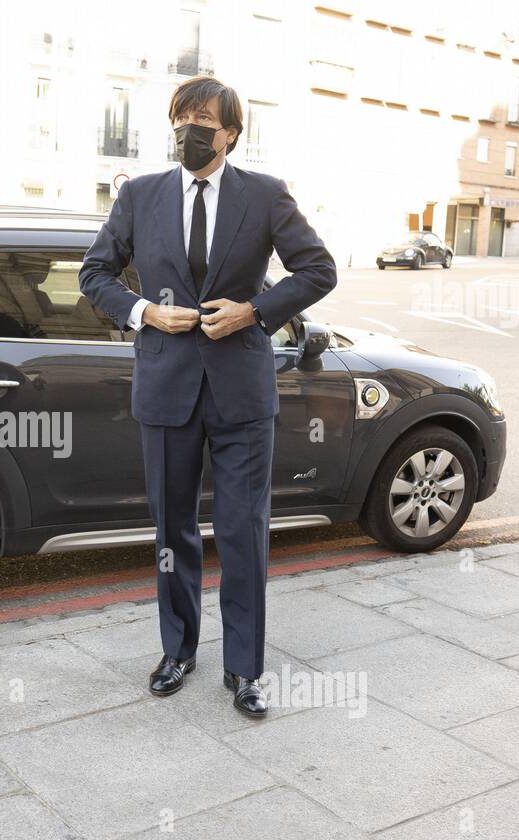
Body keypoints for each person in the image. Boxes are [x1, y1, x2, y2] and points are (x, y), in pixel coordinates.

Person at [79, 75, 336, 716]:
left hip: (241, 392)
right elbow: (94, 274)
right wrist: (142, 311)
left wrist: (255, 311)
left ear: (230, 133)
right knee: (172, 528)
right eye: (182, 117)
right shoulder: (140, 195)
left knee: (244, 532)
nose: (189, 129)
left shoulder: (265, 195)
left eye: (203, 119)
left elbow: (317, 269)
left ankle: (245, 668)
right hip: (166, 387)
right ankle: (178, 649)